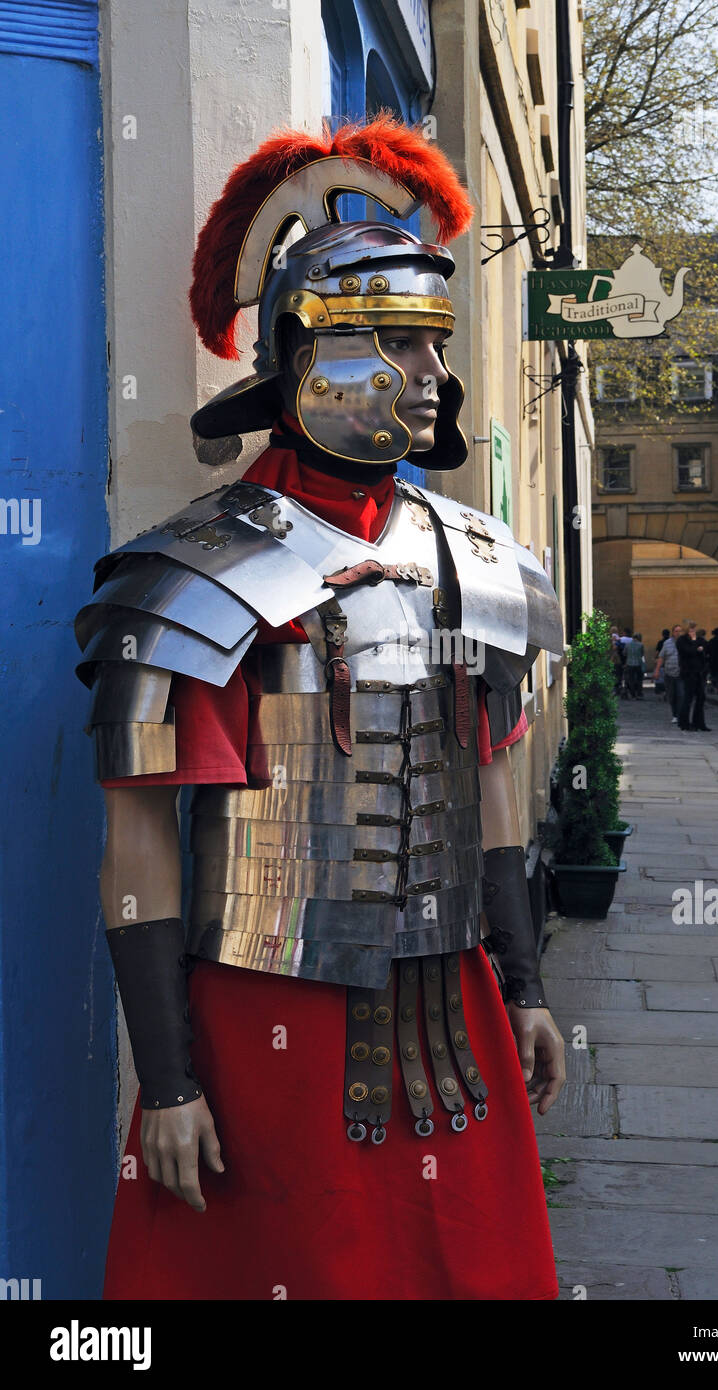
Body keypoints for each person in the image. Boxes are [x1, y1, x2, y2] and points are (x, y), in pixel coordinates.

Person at [73, 120, 566, 1301]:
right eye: (399, 344)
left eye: (435, 345)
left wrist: (526, 980)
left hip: (452, 1013)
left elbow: (490, 785)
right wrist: (171, 1078)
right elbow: (138, 839)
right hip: (263, 1023)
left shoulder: (477, 558)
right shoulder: (189, 572)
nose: (435, 378)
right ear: (312, 357)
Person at [677, 620, 711, 731]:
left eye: (694, 628)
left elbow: (705, 647)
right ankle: (684, 723)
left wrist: (699, 648)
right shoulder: (682, 640)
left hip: (699, 672)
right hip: (687, 672)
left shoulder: (699, 639)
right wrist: (697, 648)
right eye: (691, 628)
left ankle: (699, 723)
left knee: (701, 697)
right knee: (688, 697)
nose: (693, 630)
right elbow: (687, 651)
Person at [655, 624, 682, 723]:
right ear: (673, 632)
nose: (678, 633)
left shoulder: (685, 643)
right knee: (672, 695)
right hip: (669, 673)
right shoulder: (667, 643)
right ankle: (675, 715)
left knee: (681, 694)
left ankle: (680, 714)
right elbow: (661, 657)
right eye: (676, 631)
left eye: (680, 631)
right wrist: (657, 670)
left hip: (681, 674)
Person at [625, 631, 645, 699]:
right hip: (638, 664)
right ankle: (639, 693)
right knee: (639, 679)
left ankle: (632, 693)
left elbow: (624, 653)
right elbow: (642, 654)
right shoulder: (641, 645)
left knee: (631, 679)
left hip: (629, 663)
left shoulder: (627, 644)